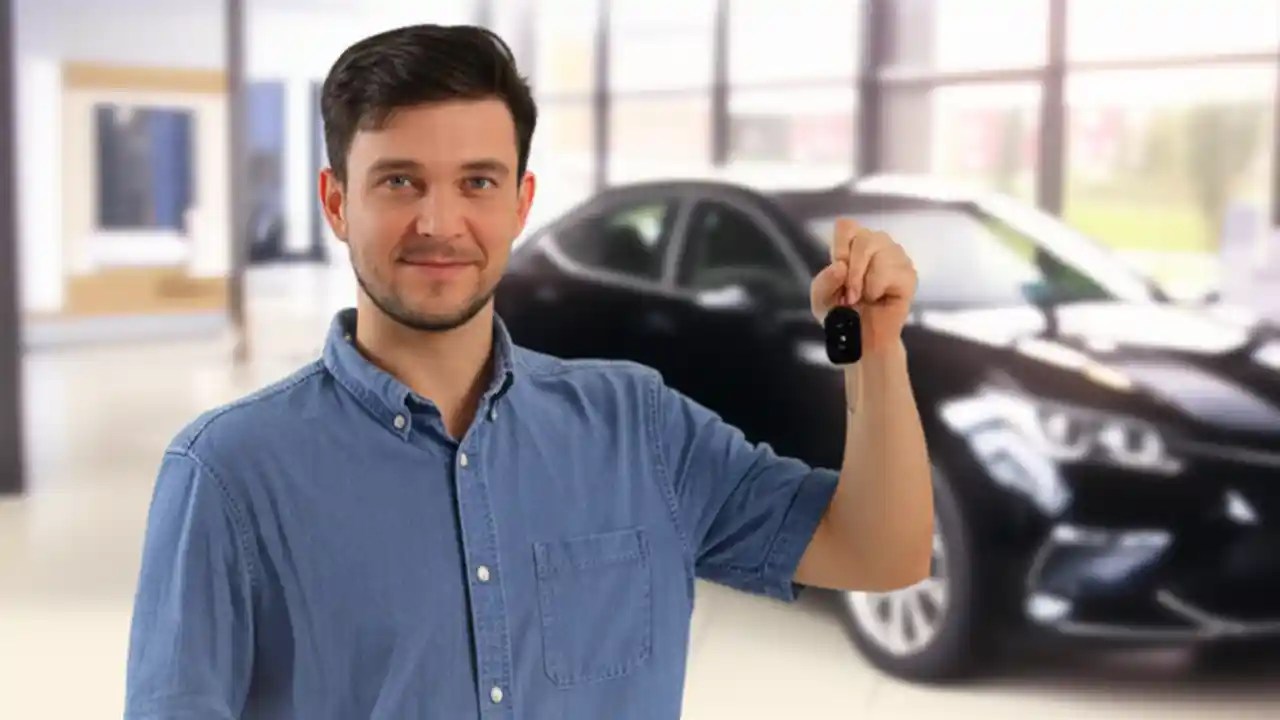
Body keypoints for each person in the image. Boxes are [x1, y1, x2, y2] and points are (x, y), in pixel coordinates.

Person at [123, 24, 933, 720]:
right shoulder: (226, 475)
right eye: (399, 180)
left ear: (520, 201)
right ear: (337, 204)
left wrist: (879, 352)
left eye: (478, 182)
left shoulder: (637, 426)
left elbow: (879, 553)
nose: (440, 223)